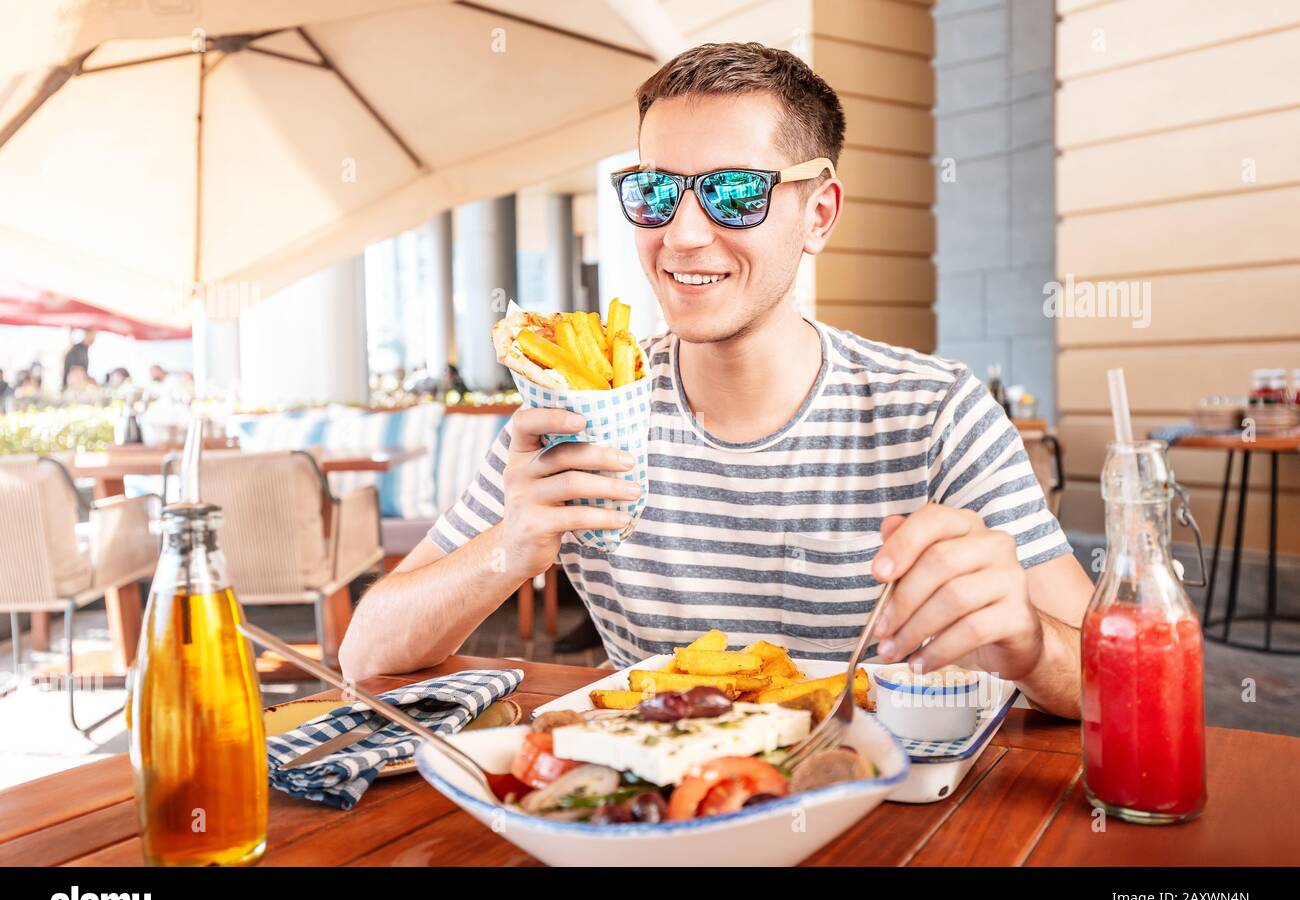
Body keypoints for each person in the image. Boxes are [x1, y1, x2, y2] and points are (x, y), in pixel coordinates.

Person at [341, 43, 1093, 719]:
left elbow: (1109, 680)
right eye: (656, 193)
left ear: (819, 213)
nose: (684, 234)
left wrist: (1027, 644)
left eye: (736, 192)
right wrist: (510, 548)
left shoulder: (935, 414)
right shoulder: (587, 409)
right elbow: (367, 654)